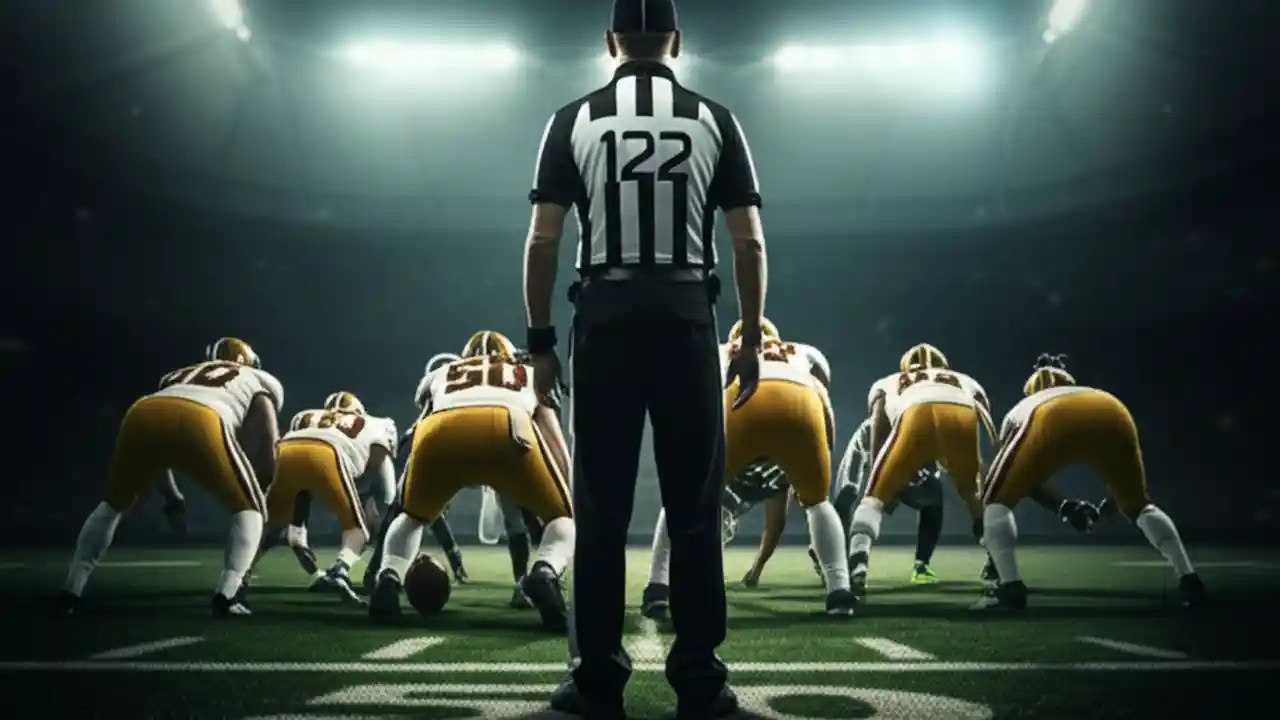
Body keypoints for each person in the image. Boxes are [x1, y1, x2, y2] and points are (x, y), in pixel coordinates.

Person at [522, 0, 765, 714]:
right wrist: (749, 336)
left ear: (611, 43)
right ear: (676, 43)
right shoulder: (716, 118)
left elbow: (542, 241)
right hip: (688, 313)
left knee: (599, 505)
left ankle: (596, 680)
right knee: (692, 503)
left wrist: (539, 343)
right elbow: (747, 242)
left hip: (605, 314)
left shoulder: (572, 119)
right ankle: (699, 679)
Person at [57, 337, 279, 617]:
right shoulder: (257, 381)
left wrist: (173, 496)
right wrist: (260, 490)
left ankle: (71, 589)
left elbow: (159, 454)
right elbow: (269, 449)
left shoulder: (178, 376)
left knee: (113, 504)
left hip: (142, 412)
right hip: (204, 418)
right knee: (251, 509)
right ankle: (229, 593)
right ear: (250, 361)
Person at [367, 331, 575, 631]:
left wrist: (408, 494)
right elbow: (550, 432)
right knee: (561, 519)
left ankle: (388, 579)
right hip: (508, 428)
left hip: (439, 431)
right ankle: (545, 571)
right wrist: (567, 490)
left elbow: (424, 416)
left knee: (412, 518)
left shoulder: (442, 374)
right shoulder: (527, 372)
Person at [975, 354, 1207, 610]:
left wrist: (1061, 506)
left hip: (1045, 417)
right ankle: (1189, 578)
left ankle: (1011, 587)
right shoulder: (1093, 393)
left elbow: (1019, 480)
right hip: (1111, 409)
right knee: (1140, 505)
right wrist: (1116, 500)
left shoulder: (1022, 408)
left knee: (995, 500)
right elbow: (1138, 465)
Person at [847, 343, 997, 601]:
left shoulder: (889, 382)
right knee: (974, 494)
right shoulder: (964, 380)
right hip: (960, 411)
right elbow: (984, 418)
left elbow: (879, 429)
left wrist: (882, 479)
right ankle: (997, 560)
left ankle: (858, 563)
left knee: (873, 498)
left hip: (913, 414)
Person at [254, 391, 397, 606]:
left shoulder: (304, 417)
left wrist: (296, 535)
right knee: (358, 533)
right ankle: (340, 571)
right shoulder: (377, 424)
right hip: (329, 455)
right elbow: (387, 493)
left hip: (286, 450)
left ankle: (235, 581)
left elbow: (300, 489)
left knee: (267, 528)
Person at [834, 418, 946, 584]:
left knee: (933, 494)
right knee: (848, 492)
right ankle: (843, 558)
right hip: (870, 443)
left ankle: (921, 564)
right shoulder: (883, 418)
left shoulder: (930, 433)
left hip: (907, 445)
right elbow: (878, 438)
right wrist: (881, 486)